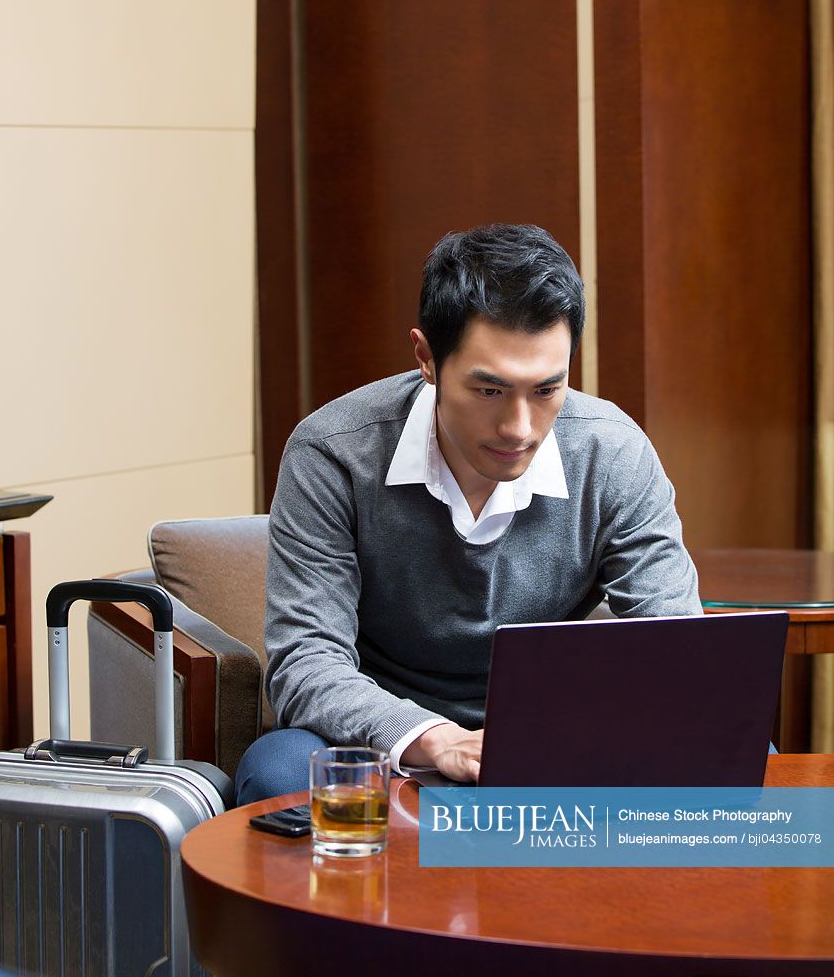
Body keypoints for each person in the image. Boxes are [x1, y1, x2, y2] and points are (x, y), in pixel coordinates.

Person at [236, 224, 701, 804]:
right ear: (427, 358)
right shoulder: (333, 452)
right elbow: (306, 661)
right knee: (279, 772)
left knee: (746, 757)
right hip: (382, 735)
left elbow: (677, 646)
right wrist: (435, 739)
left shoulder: (612, 452)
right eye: (489, 391)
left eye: (546, 390)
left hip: (554, 731)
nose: (519, 428)